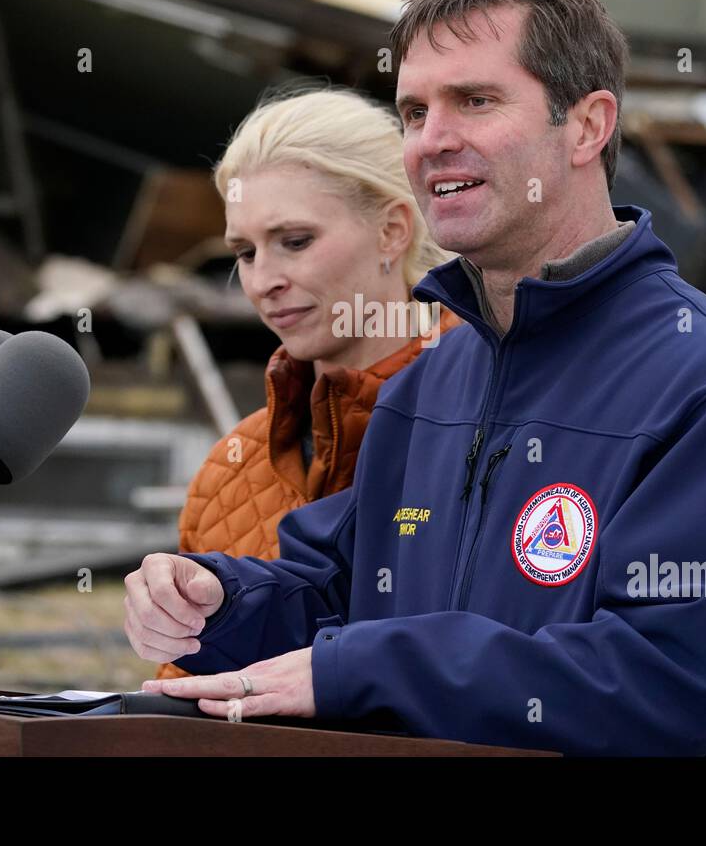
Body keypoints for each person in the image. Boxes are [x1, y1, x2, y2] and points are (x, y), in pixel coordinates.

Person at [124, 0, 706, 756]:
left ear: (589, 126)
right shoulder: (428, 389)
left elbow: (665, 685)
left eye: (477, 101)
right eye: (415, 111)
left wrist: (367, 667)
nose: (433, 139)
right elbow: (340, 602)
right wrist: (220, 602)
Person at [130, 86, 459, 682]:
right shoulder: (229, 469)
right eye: (245, 252)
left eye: (295, 242)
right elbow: (183, 709)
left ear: (392, 231)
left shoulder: (497, 426)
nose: (263, 280)